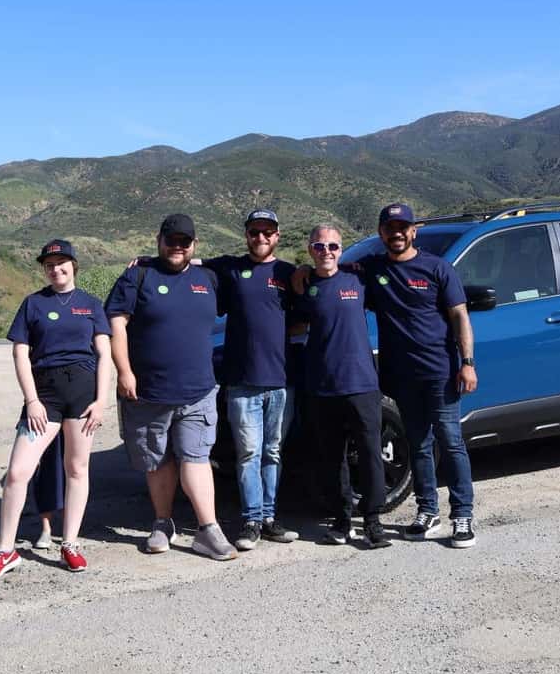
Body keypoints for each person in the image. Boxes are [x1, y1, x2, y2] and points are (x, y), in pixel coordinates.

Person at [0, 240, 113, 581]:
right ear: (44, 269)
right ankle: (6, 550)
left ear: (74, 265)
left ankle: (69, 543)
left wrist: (101, 400)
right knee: (17, 472)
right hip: (45, 398)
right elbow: (20, 354)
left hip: (82, 397)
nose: (56, 269)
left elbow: (105, 355)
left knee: (77, 470)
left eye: (62, 262)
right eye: (49, 264)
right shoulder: (33, 304)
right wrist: (32, 400)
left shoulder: (91, 305)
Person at [105, 213, 237, 561]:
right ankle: (163, 523)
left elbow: (241, 268)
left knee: (197, 458)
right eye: (171, 240)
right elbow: (116, 324)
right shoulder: (138, 275)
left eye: (184, 241)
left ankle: (209, 530)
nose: (177, 246)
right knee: (158, 462)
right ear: (158, 240)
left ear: (194, 245)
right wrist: (124, 372)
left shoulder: (208, 277)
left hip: (199, 390)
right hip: (149, 391)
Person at [360, 203, 479, 548]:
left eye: (403, 227)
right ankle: (428, 511)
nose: (396, 233)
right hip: (402, 375)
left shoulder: (437, 268)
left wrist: (467, 362)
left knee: (451, 442)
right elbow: (334, 273)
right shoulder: (373, 269)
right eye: (389, 227)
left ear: (414, 231)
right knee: (418, 445)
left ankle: (463, 515)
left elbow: (459, 317)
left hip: (439, 372)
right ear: (381, 232)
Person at [202, 209, 299, 551]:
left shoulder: (289, 273)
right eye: (255, 232)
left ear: (277, 235)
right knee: (248, 454)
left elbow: (306, 314)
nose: (261, 238)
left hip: (281, 382)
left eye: (267, 232)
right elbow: (188, 261)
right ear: (246, 234)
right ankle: (251, 520)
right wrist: (147, 261)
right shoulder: (230, 268)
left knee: (272, 452)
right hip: (242, 382)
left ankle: (270, 518)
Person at [293, 224, 392, 550]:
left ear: (341, 249)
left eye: (333, 247)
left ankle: (373, 521)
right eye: (319, 247)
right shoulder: (305, 287)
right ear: (310, 249)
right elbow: (293, 323)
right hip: (322, 386)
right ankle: (341, 520)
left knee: (369, 454)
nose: (327, 253)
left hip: (361, 383)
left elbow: (388, 265)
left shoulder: (358, 279)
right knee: (331, 458)